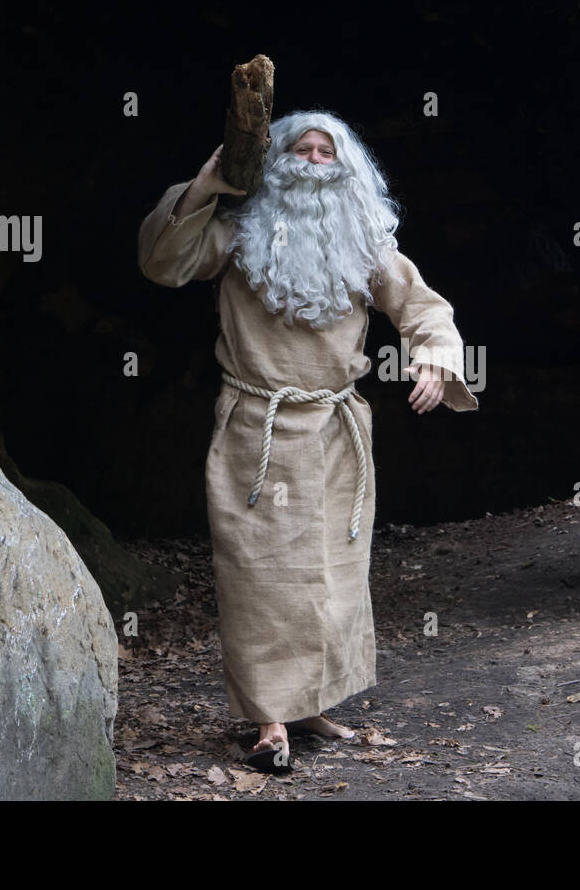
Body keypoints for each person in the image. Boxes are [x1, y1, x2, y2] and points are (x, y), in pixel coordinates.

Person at [137, 110, 478, 772]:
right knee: (260, 579)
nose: (314, 161)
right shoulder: (236, 235)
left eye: (327, 153)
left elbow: (423, 306)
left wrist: (435, 355)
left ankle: (312, 705)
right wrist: (206, 183)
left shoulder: (364, 246)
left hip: (334, 431)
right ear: (275, 165)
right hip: (256, 431)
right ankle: (268, 721)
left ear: (346, 170)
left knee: (332, 578)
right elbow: (161, 261)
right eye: (302, 150)